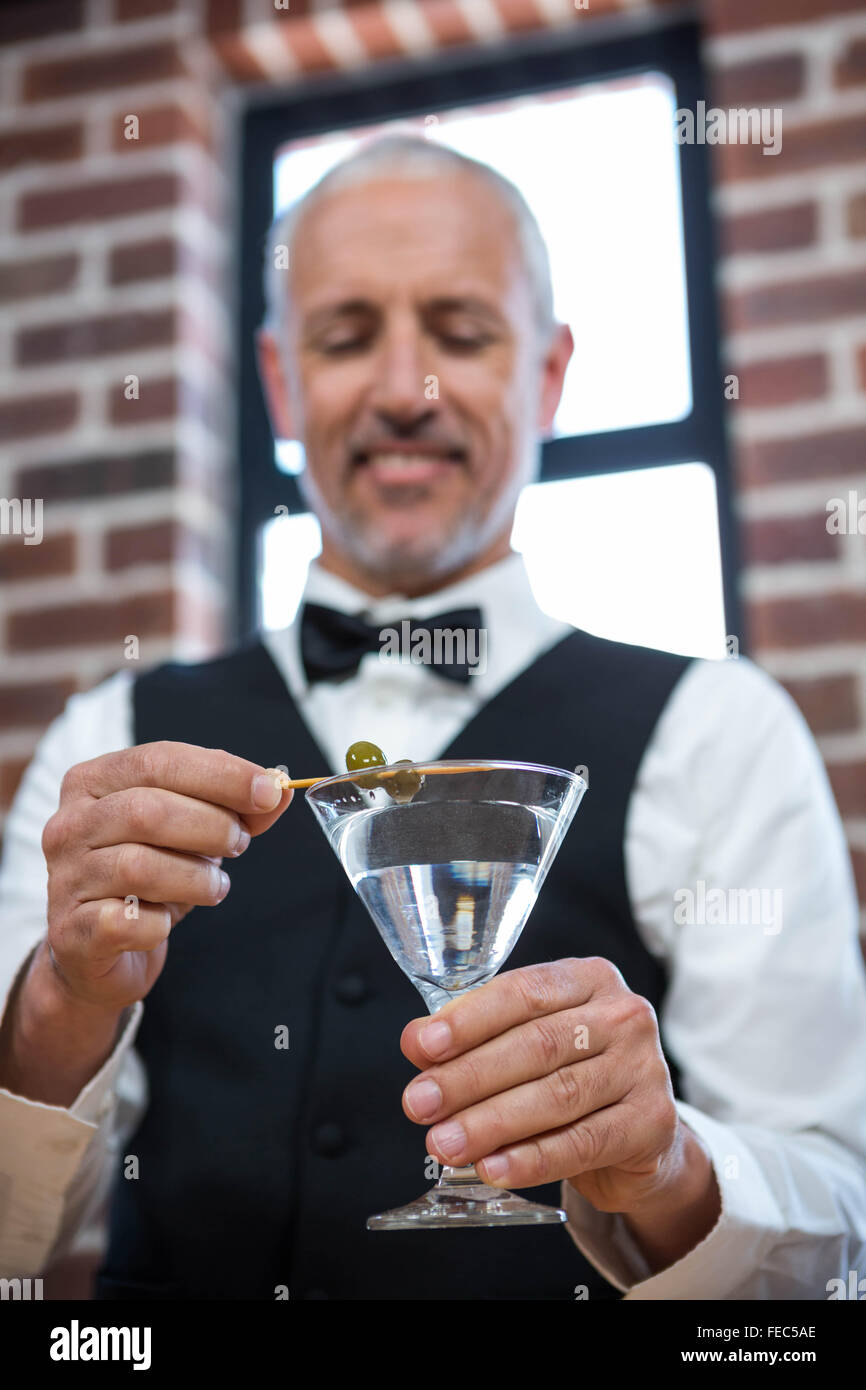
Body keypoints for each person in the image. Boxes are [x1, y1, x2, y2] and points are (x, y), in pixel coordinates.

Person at [0, 134, 864, 1302]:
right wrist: (60, 999)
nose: (406, 391)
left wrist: (664, 1165)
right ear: (279, 382)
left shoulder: (717, 728)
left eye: (460, 334)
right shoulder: (108, 740)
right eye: (347, 337)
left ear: (549, 374)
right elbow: (15, 1243)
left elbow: (834, 1239)